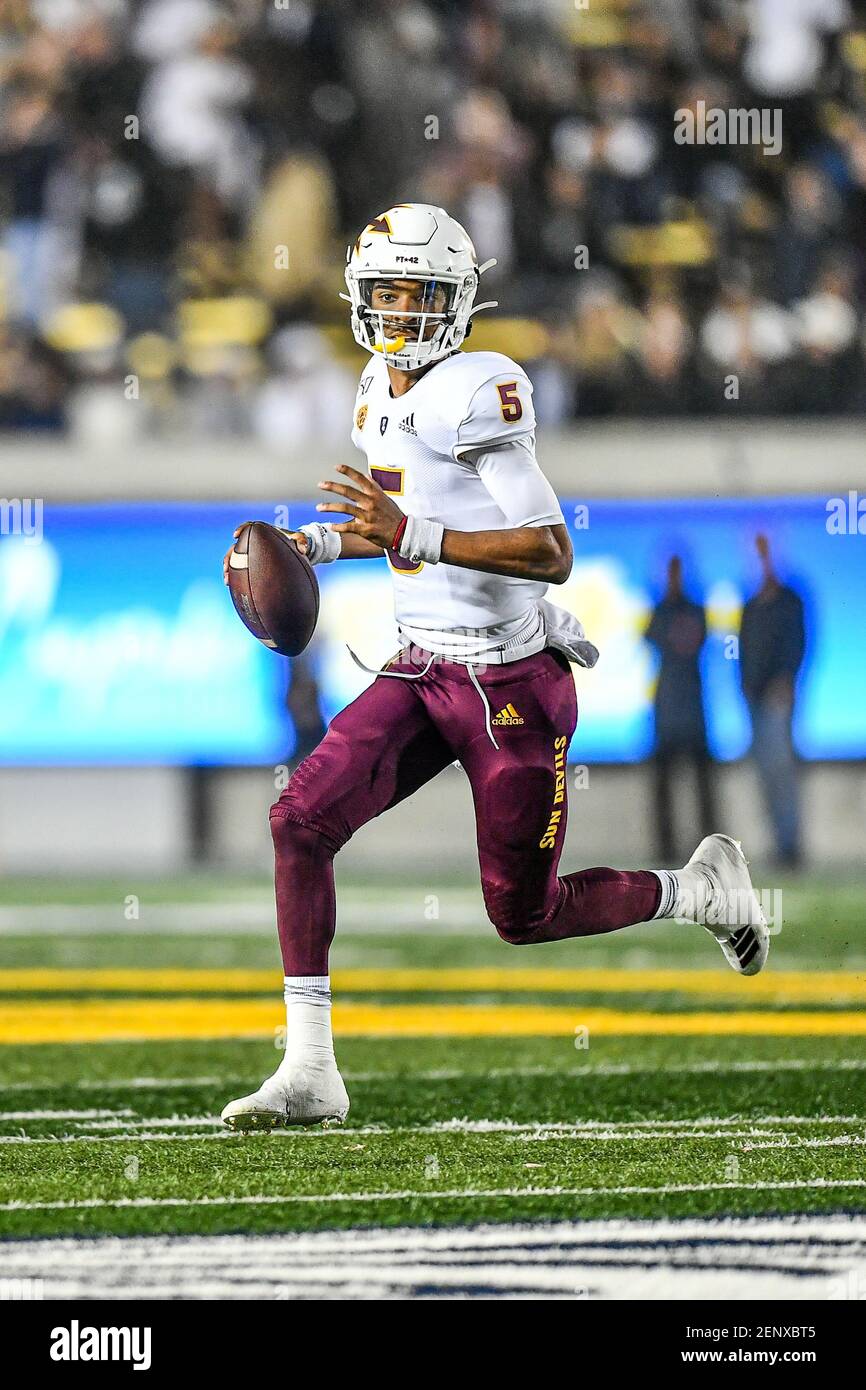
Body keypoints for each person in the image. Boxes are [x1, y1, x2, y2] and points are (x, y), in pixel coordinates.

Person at [220, 204, 768, 1130]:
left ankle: (701, 891)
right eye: (383, 292)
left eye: (416, 294)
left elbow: (551, 550)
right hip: (421, 669)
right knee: (297, 821)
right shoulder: (376, 385)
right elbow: (394, 519)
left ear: (458, 302)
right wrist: (317, 543)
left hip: (512, 685)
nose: (396, 313)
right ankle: (310, 1069)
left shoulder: (477, 387)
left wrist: (412, 534)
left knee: (524, 914)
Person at [739, 534, 806, 867]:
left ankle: (790, 846)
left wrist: (786, 681)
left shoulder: (789, 599)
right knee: (765, 773)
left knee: (781, 771)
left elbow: (798, 644)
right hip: (754, 701)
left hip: (777, 700)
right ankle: (780, 843)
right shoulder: (752, 603)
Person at [645, 556, 717, 863]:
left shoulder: (695, 611)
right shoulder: (659, 611)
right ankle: (666, 851)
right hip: (666, 712)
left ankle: (709, 851)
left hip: (693, 711)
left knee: (703, 789)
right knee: (663, 788)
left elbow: (693, 642)